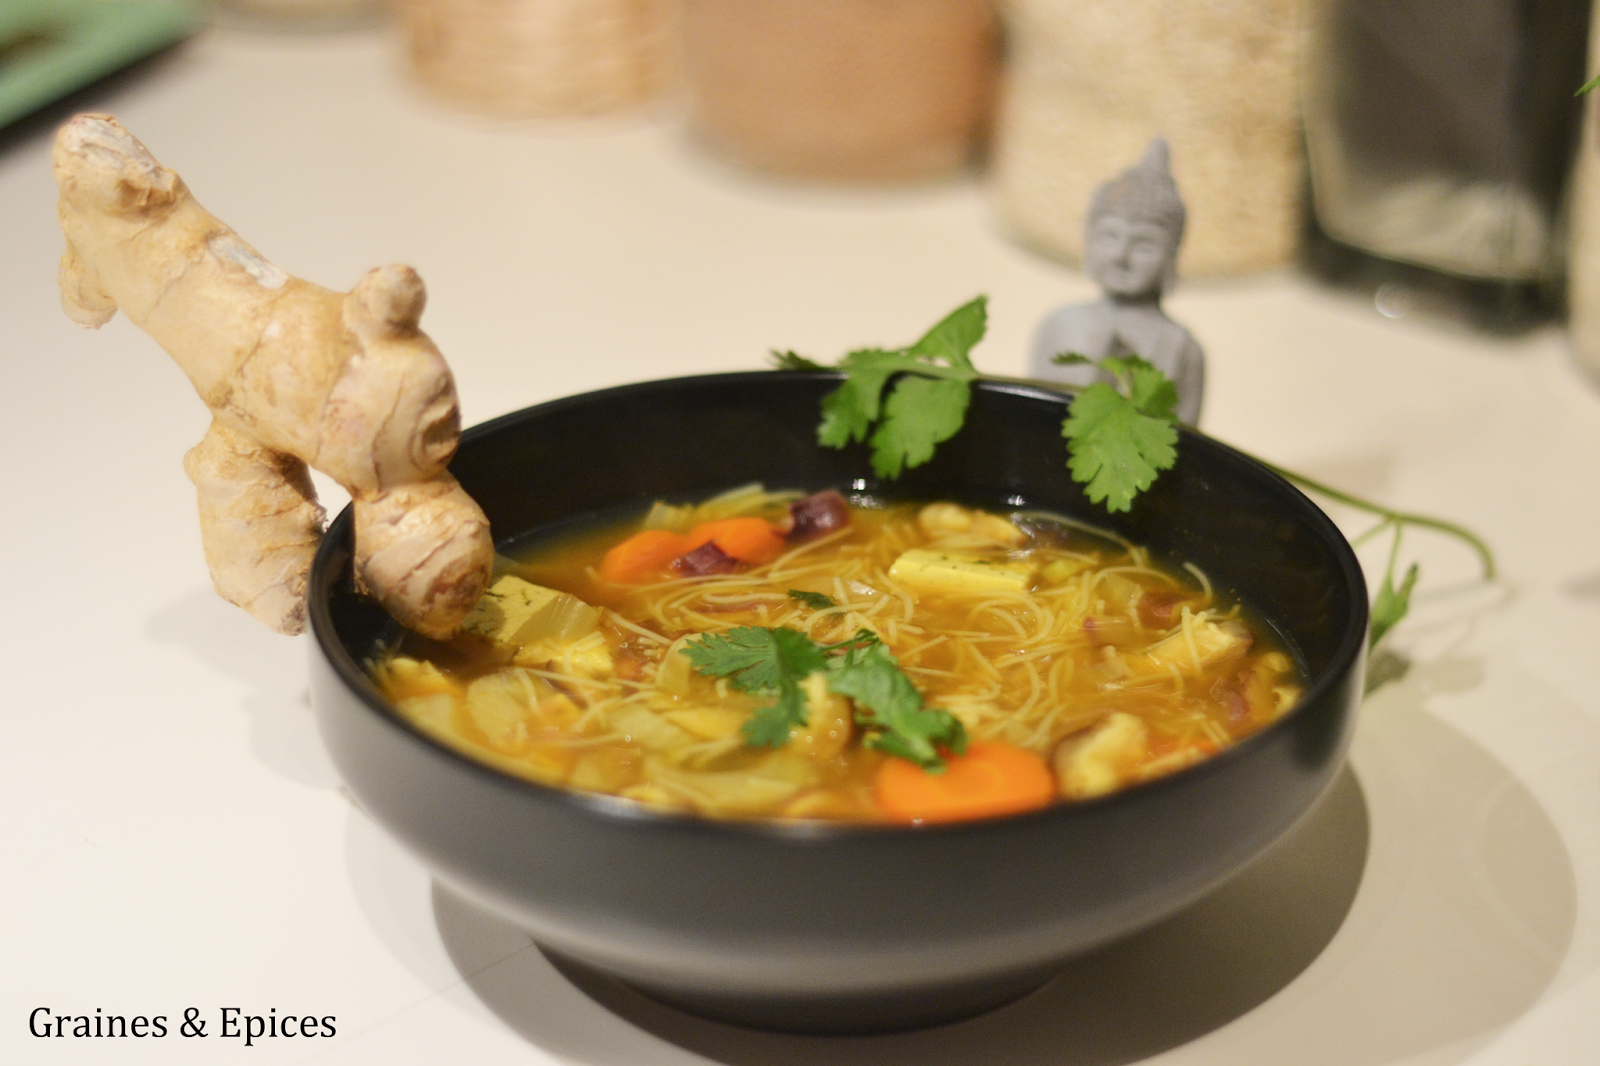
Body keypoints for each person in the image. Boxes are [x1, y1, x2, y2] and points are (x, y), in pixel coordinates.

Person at [1028, 139, 1205, 426]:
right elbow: (1031, 417)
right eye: (1110, 237)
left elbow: (1188, 445)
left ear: (1171, 255)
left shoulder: (1183, 349)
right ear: (1089, 238)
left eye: (1144, 246)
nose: (1122, 256)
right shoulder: (1059, 324)